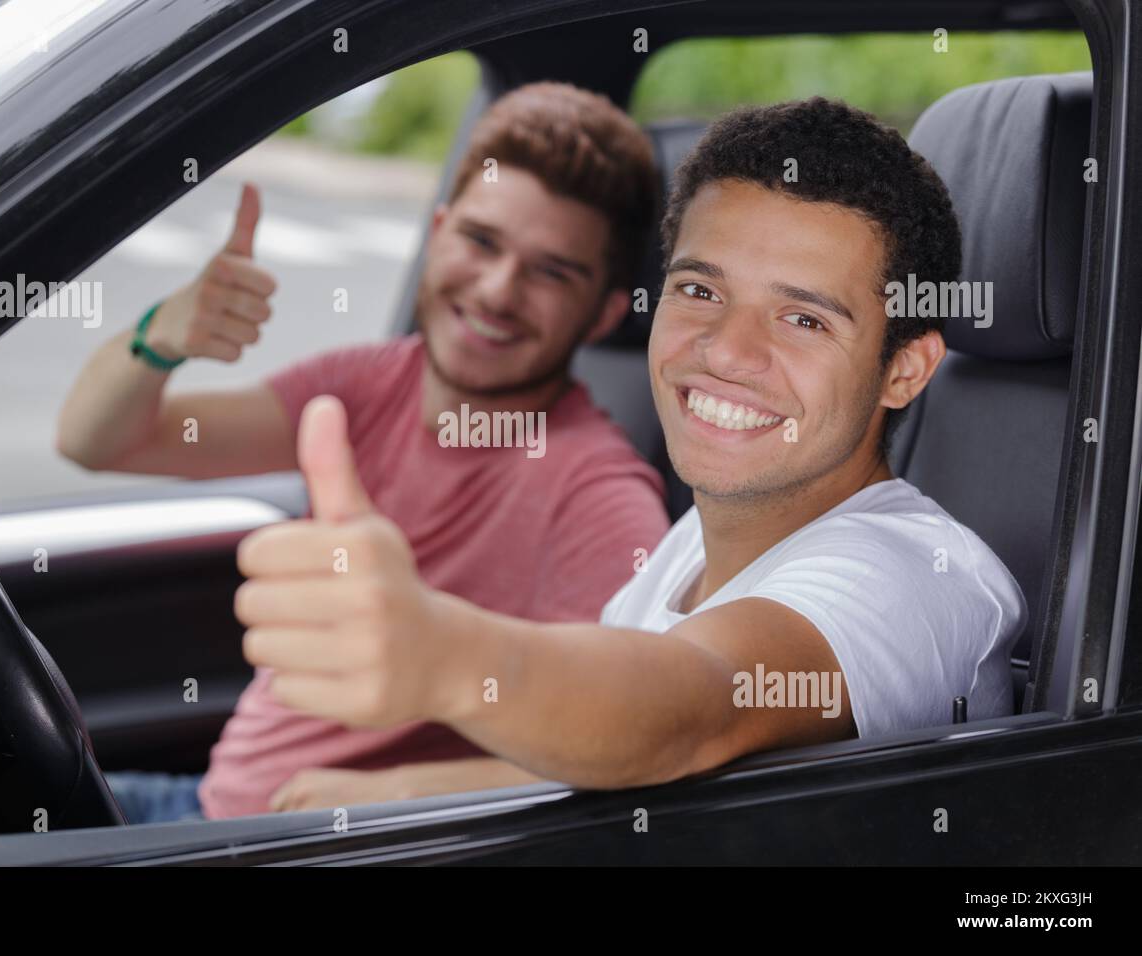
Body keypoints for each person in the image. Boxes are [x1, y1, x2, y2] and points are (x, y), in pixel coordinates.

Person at [233, 97, 1027, 791]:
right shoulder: (698, 540)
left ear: (905, 370)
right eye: (700, 290)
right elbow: (607, 740)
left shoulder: (914, 579)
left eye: (804, 319)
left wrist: (443, 657)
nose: (725, 352)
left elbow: (694, 703)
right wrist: (398, 793)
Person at [56, 82, 671, 821]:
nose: (499, 291)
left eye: (551, 272)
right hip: (199, 810)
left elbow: (641, 740)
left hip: (317, 845)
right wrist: (159, 337)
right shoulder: (369, 382)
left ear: (605, 311)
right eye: (480, 241)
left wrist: (400, 796)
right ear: (438, 231)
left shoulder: (598, 493)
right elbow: (96, 440)